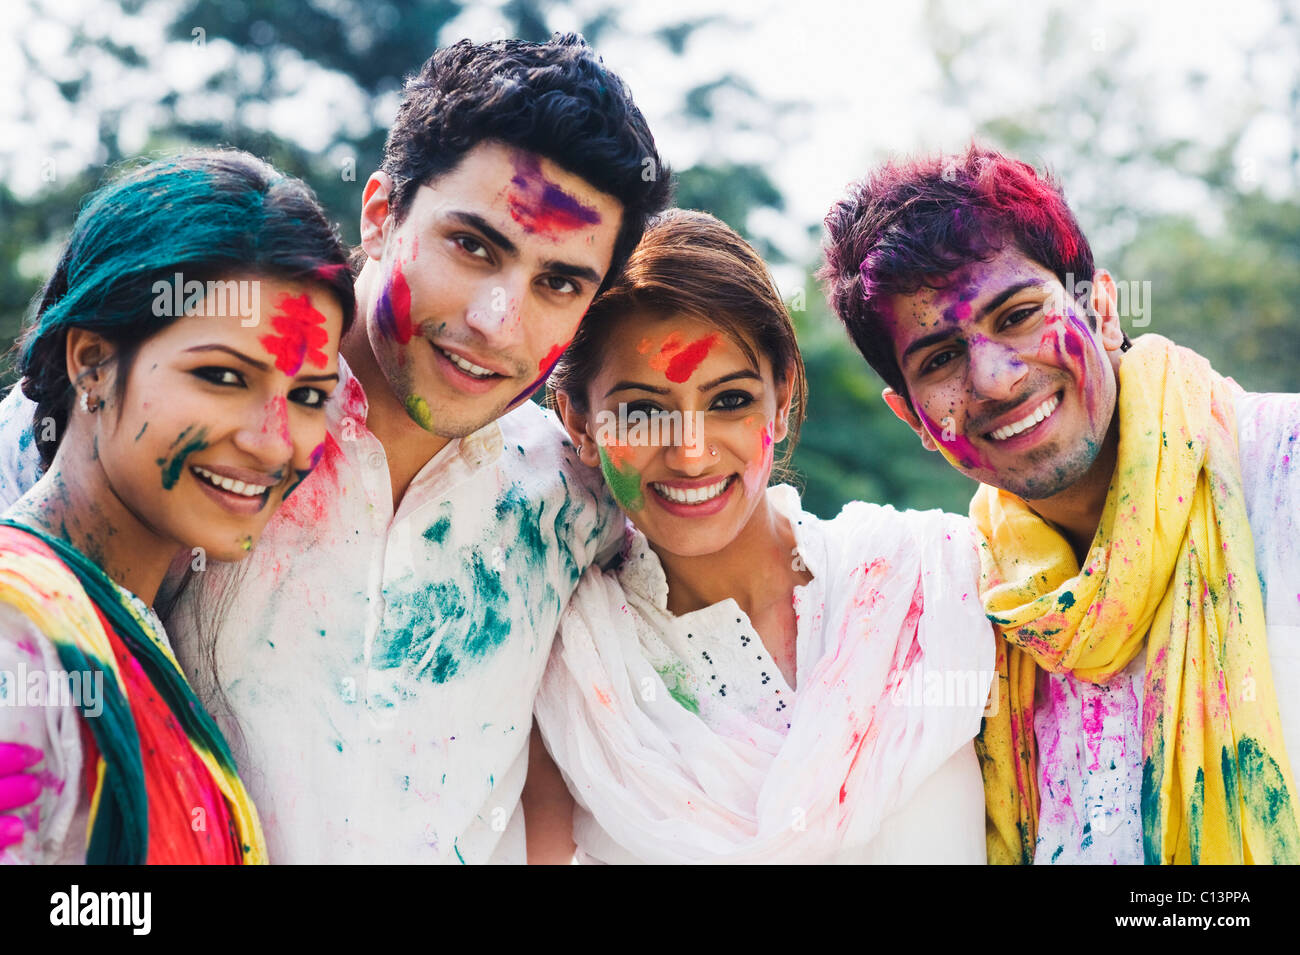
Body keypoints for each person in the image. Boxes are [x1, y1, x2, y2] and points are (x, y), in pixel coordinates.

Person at [0, 34, 670, 863]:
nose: (499, 319)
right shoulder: (140, 427)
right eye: (473, 245)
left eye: (559, 283)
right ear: (381, 212)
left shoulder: (580, 500)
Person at [820, 144, 1300, 864]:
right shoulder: (959, 606)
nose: (996, 379)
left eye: (1017, 315)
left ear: (1102, 309)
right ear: (913, 419)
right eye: (940, 359)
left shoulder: (1282, 472)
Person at [531, 209, 995, 863]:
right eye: (643, 411)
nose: (691, 455)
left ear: (781, 395)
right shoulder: (571, 672)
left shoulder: (928, 583)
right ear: (577, 418)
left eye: (729, 401)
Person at [0, 149, 356, 863]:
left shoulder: (125, 621)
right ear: (92, 363)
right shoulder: (21, 634)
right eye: (223, 375)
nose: (273, 442)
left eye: (310, 396)